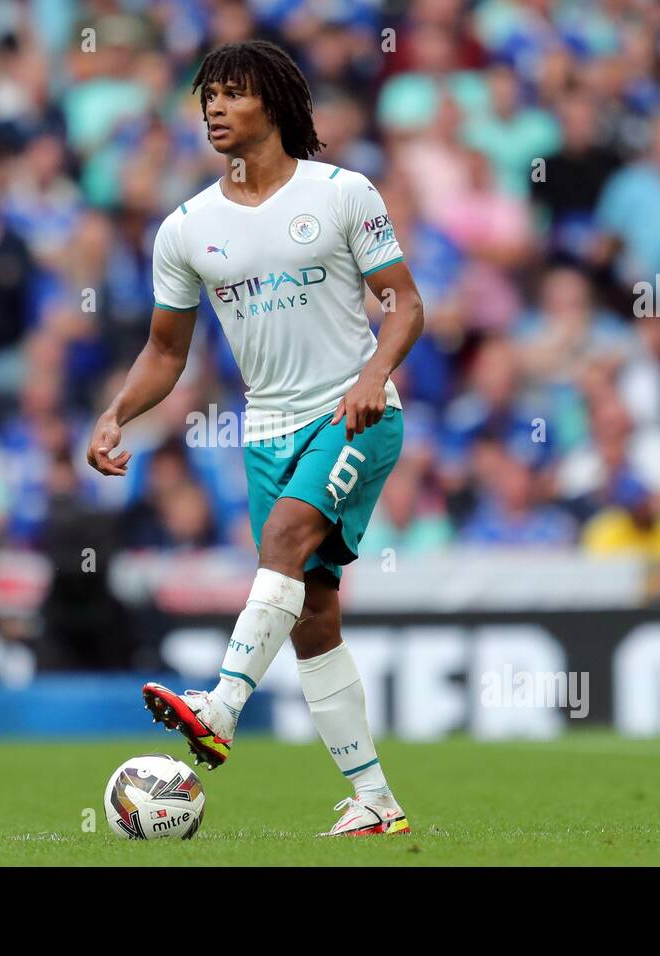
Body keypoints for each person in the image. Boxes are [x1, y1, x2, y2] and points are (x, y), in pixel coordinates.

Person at [85, 40, 424, 837]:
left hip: (354, 413)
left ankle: (221, 709)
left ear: (270, 102)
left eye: (231, 94)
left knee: (283, 538)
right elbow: (168, 350)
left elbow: (404, 304)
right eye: (206, 96)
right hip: (265, 429)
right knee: (313, 616)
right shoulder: (186, 229)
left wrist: (375, 374)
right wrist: (115, 412)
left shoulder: (343, 193)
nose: (213, 108)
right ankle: (374, 801)